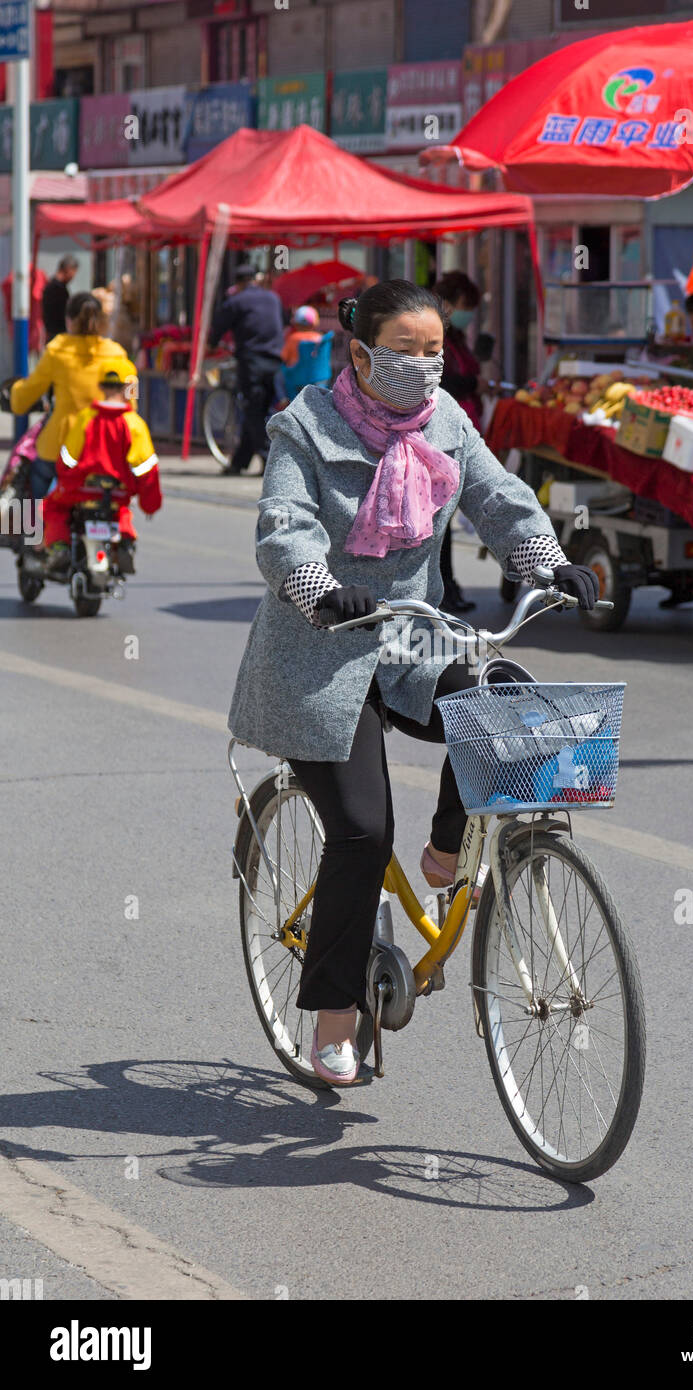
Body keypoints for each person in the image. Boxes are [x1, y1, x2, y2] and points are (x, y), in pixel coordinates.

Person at [227, 278, 600, 1085]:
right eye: (407, 351)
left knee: (498, 696)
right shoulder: (303, 426)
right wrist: (319, 587)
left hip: (409, 638)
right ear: (359, 353)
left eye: (436, 351)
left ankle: (441, 852)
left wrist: (552, 563)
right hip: (316, 649)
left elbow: (500, 501)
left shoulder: (447, 422)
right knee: (360, 831)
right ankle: (332, 1019)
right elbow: (282, 530)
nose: (426, 367)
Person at [10, 292, 137, 502]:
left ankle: (33, 528)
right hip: (106, 451)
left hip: (60, 449)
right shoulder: (118, 355)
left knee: (30, 479)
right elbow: (132, 403)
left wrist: (15, 394)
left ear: (69, 321)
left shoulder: (57, 350)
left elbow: (26, 395)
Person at [40, 370, 161, 573]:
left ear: (101, 387)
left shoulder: (86, 417)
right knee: (121, 512)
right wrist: (150, 505)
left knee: (51, 507)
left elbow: (67, 459)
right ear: (127, 389)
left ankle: (59, 547)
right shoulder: (135, 424)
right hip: (117, 493)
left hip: (81, 490)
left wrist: (65, 479)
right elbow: (148, 470)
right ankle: (124, 542)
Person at [433, 270, 488, 614]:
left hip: (462, 438)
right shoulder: (437, 336)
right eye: (464, 306)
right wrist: (472, 384)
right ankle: (444, 589)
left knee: (445, 519)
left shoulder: (458, 337)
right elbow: (443, 379)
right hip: (440, 441)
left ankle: (447, 587)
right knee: (440, 521)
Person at [209, 262, 284, 475]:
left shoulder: (236, 301)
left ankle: (269, 459)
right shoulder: (273, 298)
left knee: (252, 409)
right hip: (275, 360)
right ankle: (239, 462)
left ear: (239, 283)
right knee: (260, 409)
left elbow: (218, 327)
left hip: (252, 361)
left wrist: (212, 344)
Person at [42, 256, 79, 342]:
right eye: (74, 272)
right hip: (56, 334)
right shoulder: (57, 288)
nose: (73, 276)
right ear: (68, 269)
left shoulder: (54, 285)